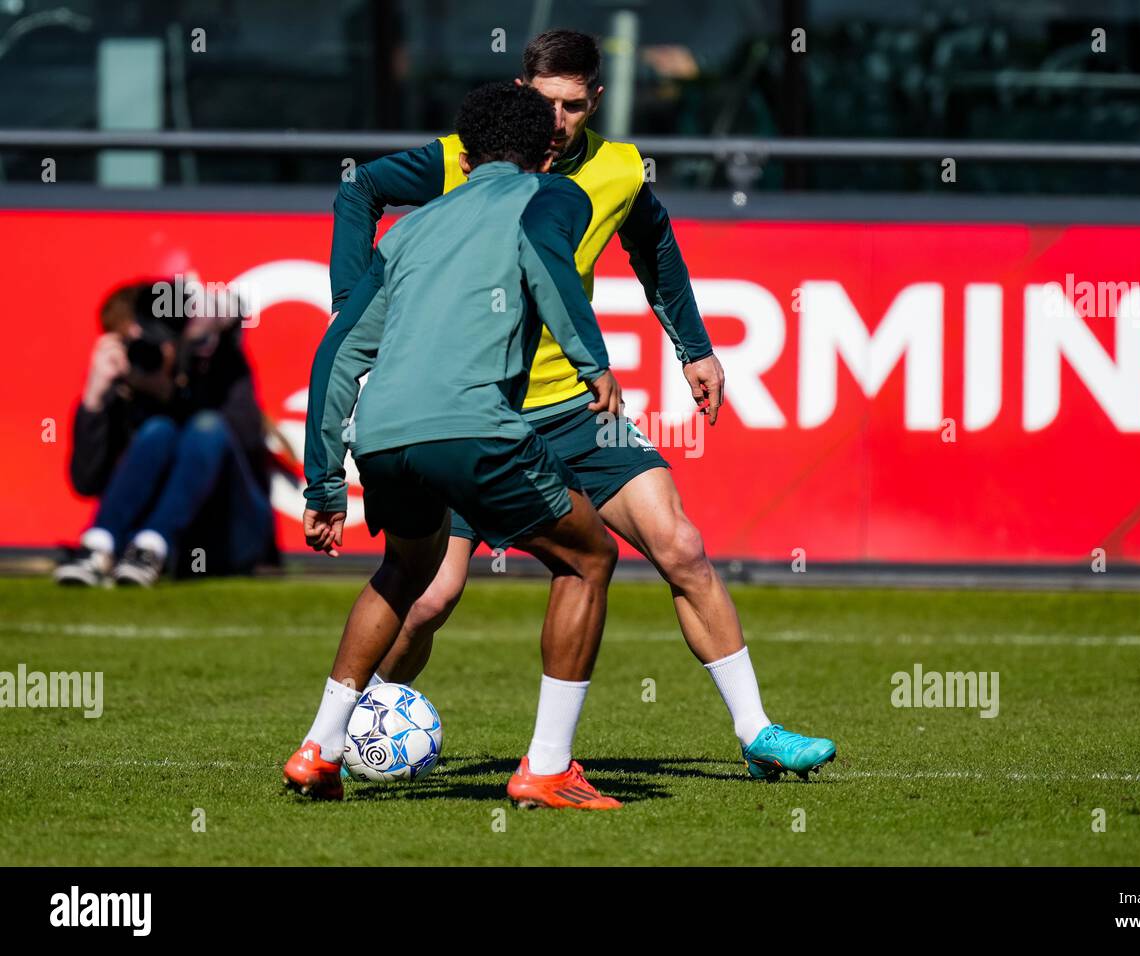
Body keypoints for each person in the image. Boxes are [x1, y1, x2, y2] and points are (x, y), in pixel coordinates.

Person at [321, 29, 835, 780]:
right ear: (522, 96)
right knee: (430, 598)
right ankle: (355, 732)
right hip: (478, 411)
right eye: (542, 105)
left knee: (681, 547)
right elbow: (359, 189)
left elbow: (654, 248)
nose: (555, 122)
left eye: (570, 105)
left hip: (576, 409)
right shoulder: (466, 157)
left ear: (594, 98)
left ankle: (757, 732)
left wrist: (693, 348)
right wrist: (352, 305)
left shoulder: (620, 169)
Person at [286, 82, 624, 809]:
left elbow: (338, 354)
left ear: (463, 159)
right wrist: (592, 362)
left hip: (382, 436)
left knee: (407, 567)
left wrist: (323, 485)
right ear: (547, 153)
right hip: (472, 428)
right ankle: (548, 767)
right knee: (589, 555)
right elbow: (548, 263)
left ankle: (320, 747)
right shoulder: (554, 197)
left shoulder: (408, 230)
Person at [56, 280, 273, 587]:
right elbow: (86, 482)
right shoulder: (125, 390)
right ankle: (99, 545)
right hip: (153, 548)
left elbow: (248, 442)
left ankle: (150, 546)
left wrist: (174, 388)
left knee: (205, 427)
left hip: (228, 533)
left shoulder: (213, 367)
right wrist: (94, 401)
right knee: (158, 430)